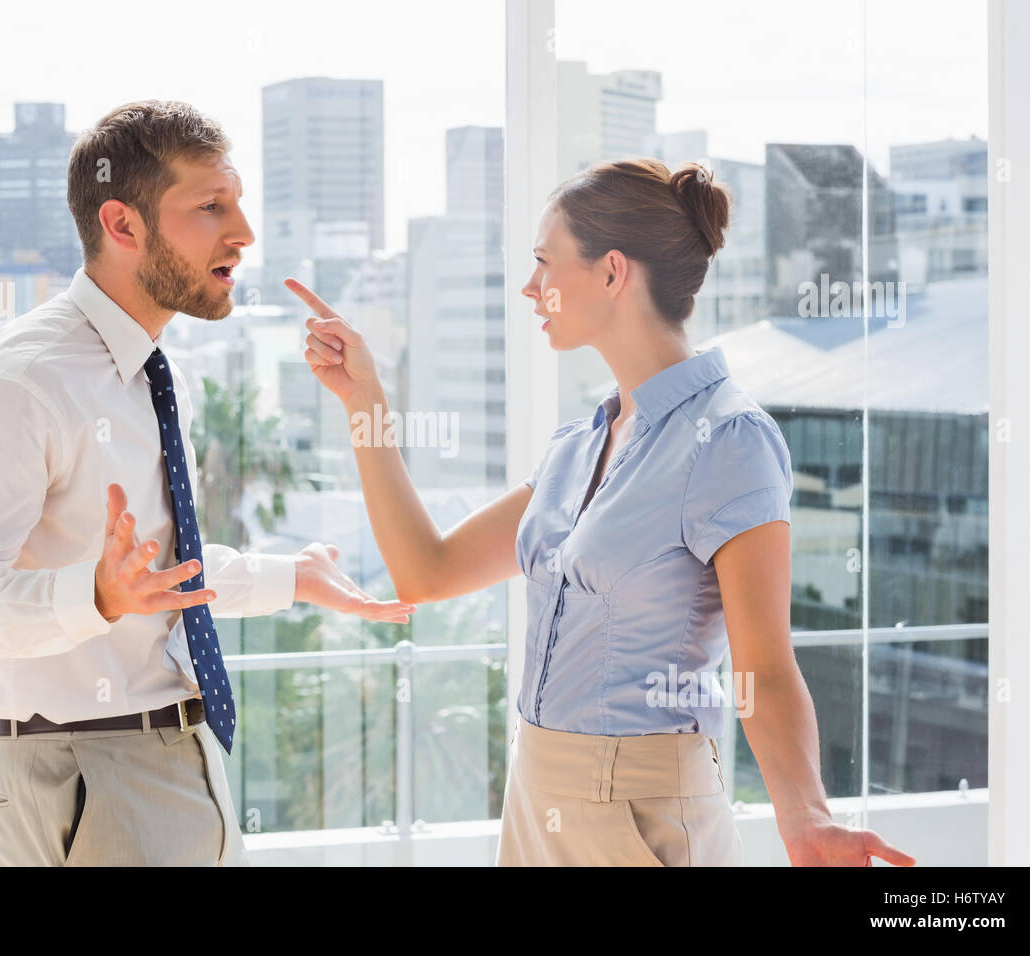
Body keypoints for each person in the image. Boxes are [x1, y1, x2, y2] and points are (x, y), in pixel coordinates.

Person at [286, 157, 916, 867]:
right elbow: (425, 573)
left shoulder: (730, 438)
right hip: (534, 796)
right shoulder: (576, 448)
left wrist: (806, 820)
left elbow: (764, 668)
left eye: (544, 263)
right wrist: (364, 401)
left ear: (613, 272)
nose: (531, 287)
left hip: (642, 812)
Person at [0, 100, 414, 867]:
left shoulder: (138, 370)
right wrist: (97, 596)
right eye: (211, 207)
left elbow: (150, 576)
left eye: (236, 203)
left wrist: (294, 577)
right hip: (92, 774)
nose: (242, 234)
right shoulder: (14, 386)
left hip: (173, 757)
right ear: (123, 224)